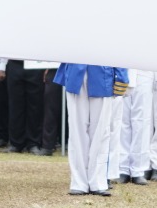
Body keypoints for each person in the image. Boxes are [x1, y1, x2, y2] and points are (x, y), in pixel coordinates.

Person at [53, 63, 127, 195]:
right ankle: (78, 182)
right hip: (76, 72)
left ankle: (97, 181)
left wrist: (121, 77)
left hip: (103, 73)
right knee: (77, 131)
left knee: (100, 132)